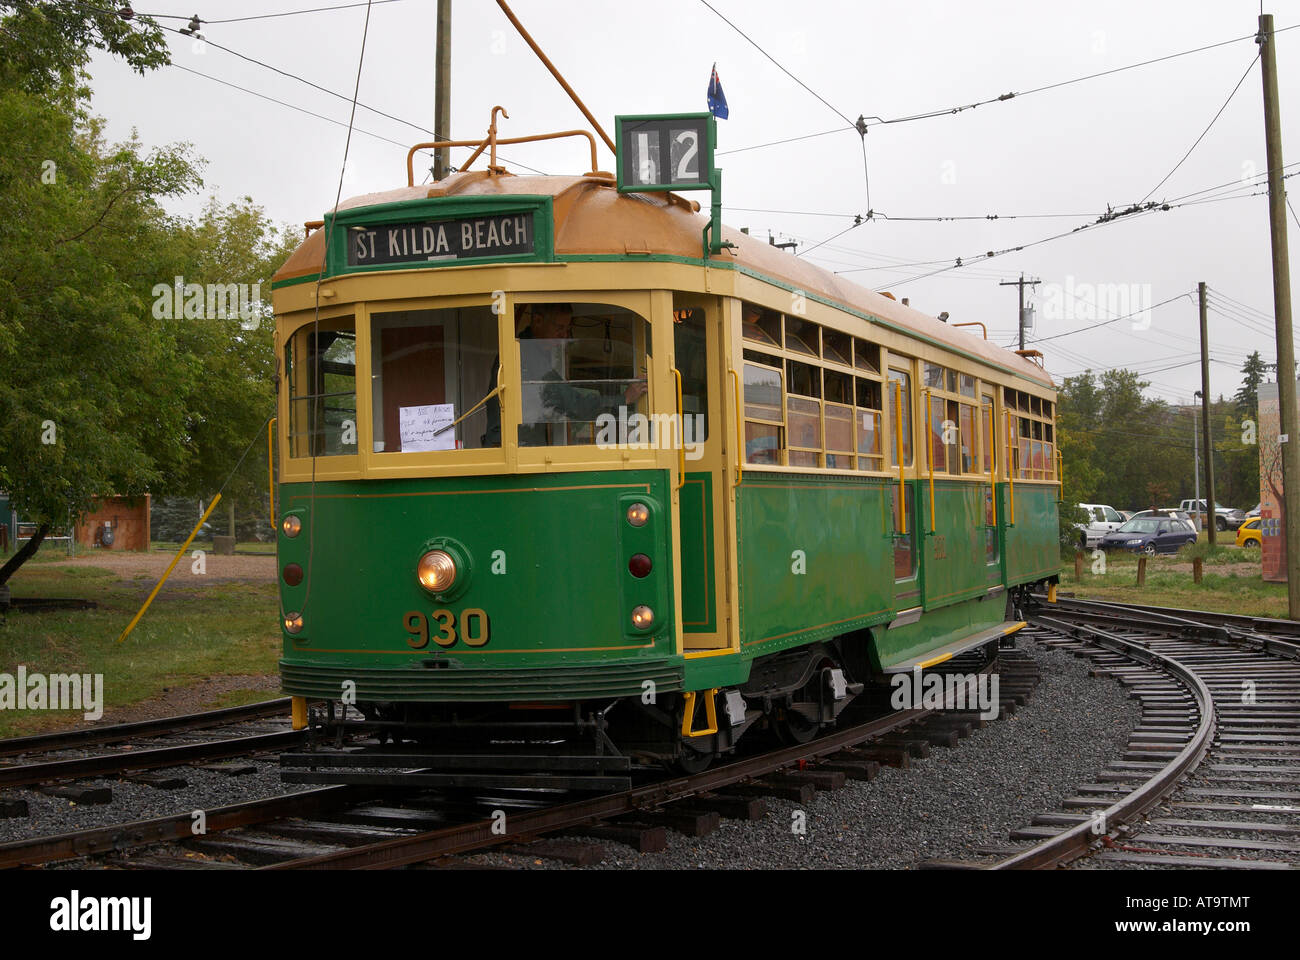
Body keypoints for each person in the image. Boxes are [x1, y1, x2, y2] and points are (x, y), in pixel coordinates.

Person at [482, 303, 646, 446]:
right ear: (538, 321)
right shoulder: (526, 354)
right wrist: (624, 398)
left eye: (567, 329)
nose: (564, 336)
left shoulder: (531, 352)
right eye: (559, 328)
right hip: (516, 447)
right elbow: (572, 403)